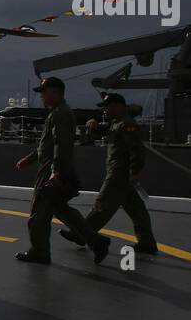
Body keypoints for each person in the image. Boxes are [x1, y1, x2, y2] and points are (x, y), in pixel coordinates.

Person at [14, 77, 109, 265]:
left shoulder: (61, 114)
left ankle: (40, 252)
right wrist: (30, 159)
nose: (41, 96)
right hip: (54, 169)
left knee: (38, 216)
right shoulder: (56, 113)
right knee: (62, 210)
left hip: (53, 172)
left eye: (44, 92)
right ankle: (97, 241)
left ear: (56, 92)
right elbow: (46, 144)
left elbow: (61, 145)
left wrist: (56, 173)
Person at [60, 92, 158, 255]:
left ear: (117, 106)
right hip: (121, 174)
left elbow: (137, 151)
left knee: (102, 204)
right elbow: (103, 131)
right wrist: (94, 125)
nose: (104, 110)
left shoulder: (126, 124)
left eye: (107, 106)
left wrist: (135, 171)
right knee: (136, 209)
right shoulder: (117, 123)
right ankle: (147, 242)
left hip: (119, 174)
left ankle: (82, 235)